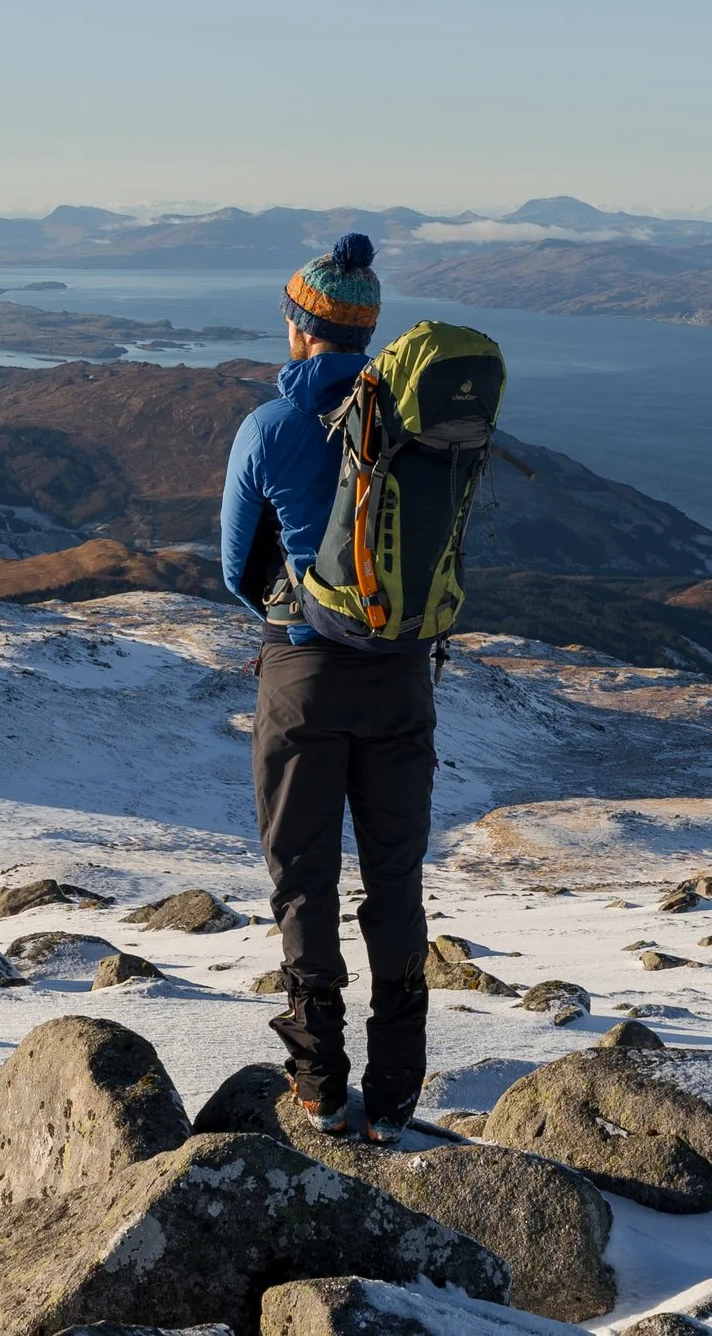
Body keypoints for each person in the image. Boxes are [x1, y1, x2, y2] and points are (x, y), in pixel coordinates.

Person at [219, 232, 436, 1144]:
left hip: (303, 671)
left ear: (300, 325)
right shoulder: (412, 419)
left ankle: (317, 1085)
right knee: (394, 878)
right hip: (401, 677)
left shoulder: (268, 427)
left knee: (303, 875)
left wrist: (290, 603)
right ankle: (394, 1094)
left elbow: (236, 565)